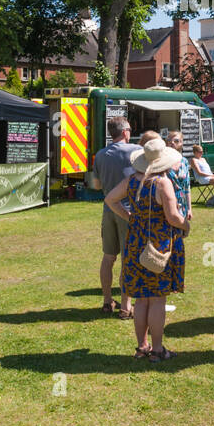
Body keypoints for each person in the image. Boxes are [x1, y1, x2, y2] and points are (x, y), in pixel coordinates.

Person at [102, 137, 190, 361]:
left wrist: (130, 217)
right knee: (158, 298)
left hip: (136, 244)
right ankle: (158, 350)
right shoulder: (162, 183)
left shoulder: (131, 180)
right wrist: (185, 223)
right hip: (159, 245)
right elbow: (172, 217)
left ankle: (142, 347)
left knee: (141, 299)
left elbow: (110, 199)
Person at [94, 116, 141, 318]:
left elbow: (96, 186)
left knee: (108, 257)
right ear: (124, 132)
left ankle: (106, 301)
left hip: (108, 210)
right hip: (128, 212)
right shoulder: (136, 152)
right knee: (128, 259)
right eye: (130, 129)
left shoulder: (100, 155)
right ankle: (125, 306)